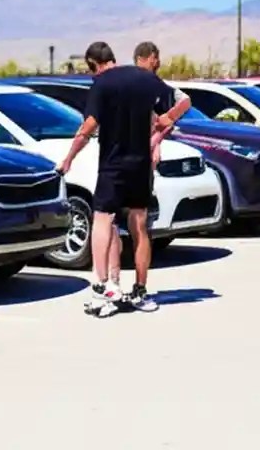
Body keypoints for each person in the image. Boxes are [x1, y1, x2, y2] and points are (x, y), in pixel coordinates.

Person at [57, 41, 188, 317]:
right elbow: (184, 101)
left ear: (93, 64)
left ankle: (101, 288)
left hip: (113, 165)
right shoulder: (145, 78)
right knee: (139, 225)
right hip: (140, 165)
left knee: (102, 220)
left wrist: (69, 158)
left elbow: (89, 126)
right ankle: (140, 291)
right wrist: (166, 121)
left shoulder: (102, 84)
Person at [132, 41, 193, 170]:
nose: (156, 63)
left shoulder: (159, 86)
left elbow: (185, 101)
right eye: (153, 59)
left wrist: (170, 117)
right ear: (140, 59)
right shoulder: (128, 84)